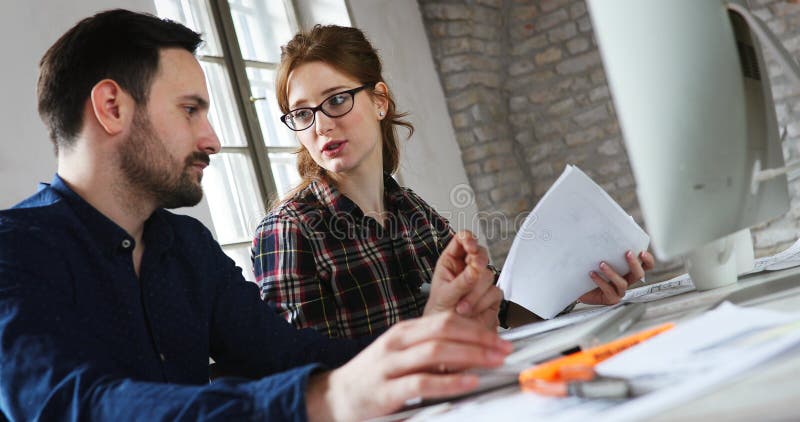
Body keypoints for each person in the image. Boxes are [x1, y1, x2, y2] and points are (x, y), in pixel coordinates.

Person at [0, 9, 512, 421]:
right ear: (112, 107)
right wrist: (322, 399)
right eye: (189, 109)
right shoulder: (14, 250)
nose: (213, 140)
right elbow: (66, 405)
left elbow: (286, 355)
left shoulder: (186, 246)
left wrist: (430, 334)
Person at [252, 24, 655, 337]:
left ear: (379, 100)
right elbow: (306, 375)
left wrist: (575, 288)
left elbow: (502, 307)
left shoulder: (412, 210)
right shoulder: (288, 231)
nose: (321, 125)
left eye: (337, 99)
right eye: (302, 113)